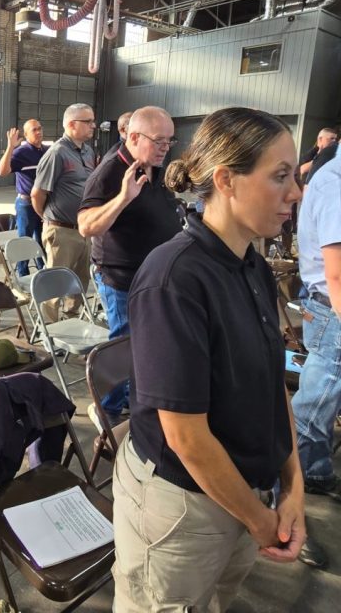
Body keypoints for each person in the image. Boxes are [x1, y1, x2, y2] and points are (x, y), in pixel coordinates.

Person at [112, 107, 305, 612]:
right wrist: (260, 520)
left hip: (244, 494)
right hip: (184, 509)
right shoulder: (174, 279)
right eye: (280, 176)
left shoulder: (252, 267)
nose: (296, 193)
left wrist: (293, 486)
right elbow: (187, 437)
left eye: (295, 176)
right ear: (226, 180)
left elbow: (273, 385)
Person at [77, 107, 182, 430]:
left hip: (153, 276)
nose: (166, 147)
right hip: (121, 279)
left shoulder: (154, 166)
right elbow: (86, 226)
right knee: (125, 347)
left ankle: (134, 402)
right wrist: (123, 197)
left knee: (146, 347)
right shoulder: (110, 172)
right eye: (159, 141)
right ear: (134, 137)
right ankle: (107, 410)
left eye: (170, 140)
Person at [292, 144, 341, 500]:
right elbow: (336, 275)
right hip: (331, 308)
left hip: (327, 306)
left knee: (324, 394)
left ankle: (314, 468)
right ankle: (304, 473)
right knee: (318, 399)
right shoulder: (335, 184)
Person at [31, 103, 96, 320]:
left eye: (93, 121)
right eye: (88, 121)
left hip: (83, 229)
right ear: (71, 124)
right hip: (62, 231)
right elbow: (37, 194)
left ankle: (71, 321)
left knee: (80, 280)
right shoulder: (57, 153)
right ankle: (49, 328)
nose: (93, 125)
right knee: (55, 284)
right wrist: (49, 220)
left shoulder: (88, 152)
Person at [0, 119, 48, 276]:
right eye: (34, 130)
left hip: (45, 203)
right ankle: (22, 276)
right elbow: (2, 171)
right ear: (26, 135)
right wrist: (10, 147)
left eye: (40, 128)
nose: (38, 132)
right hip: (26, 204)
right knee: (25, 241)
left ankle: (44, 273)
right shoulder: (21, 152)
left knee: (42, 240)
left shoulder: (47, 151)